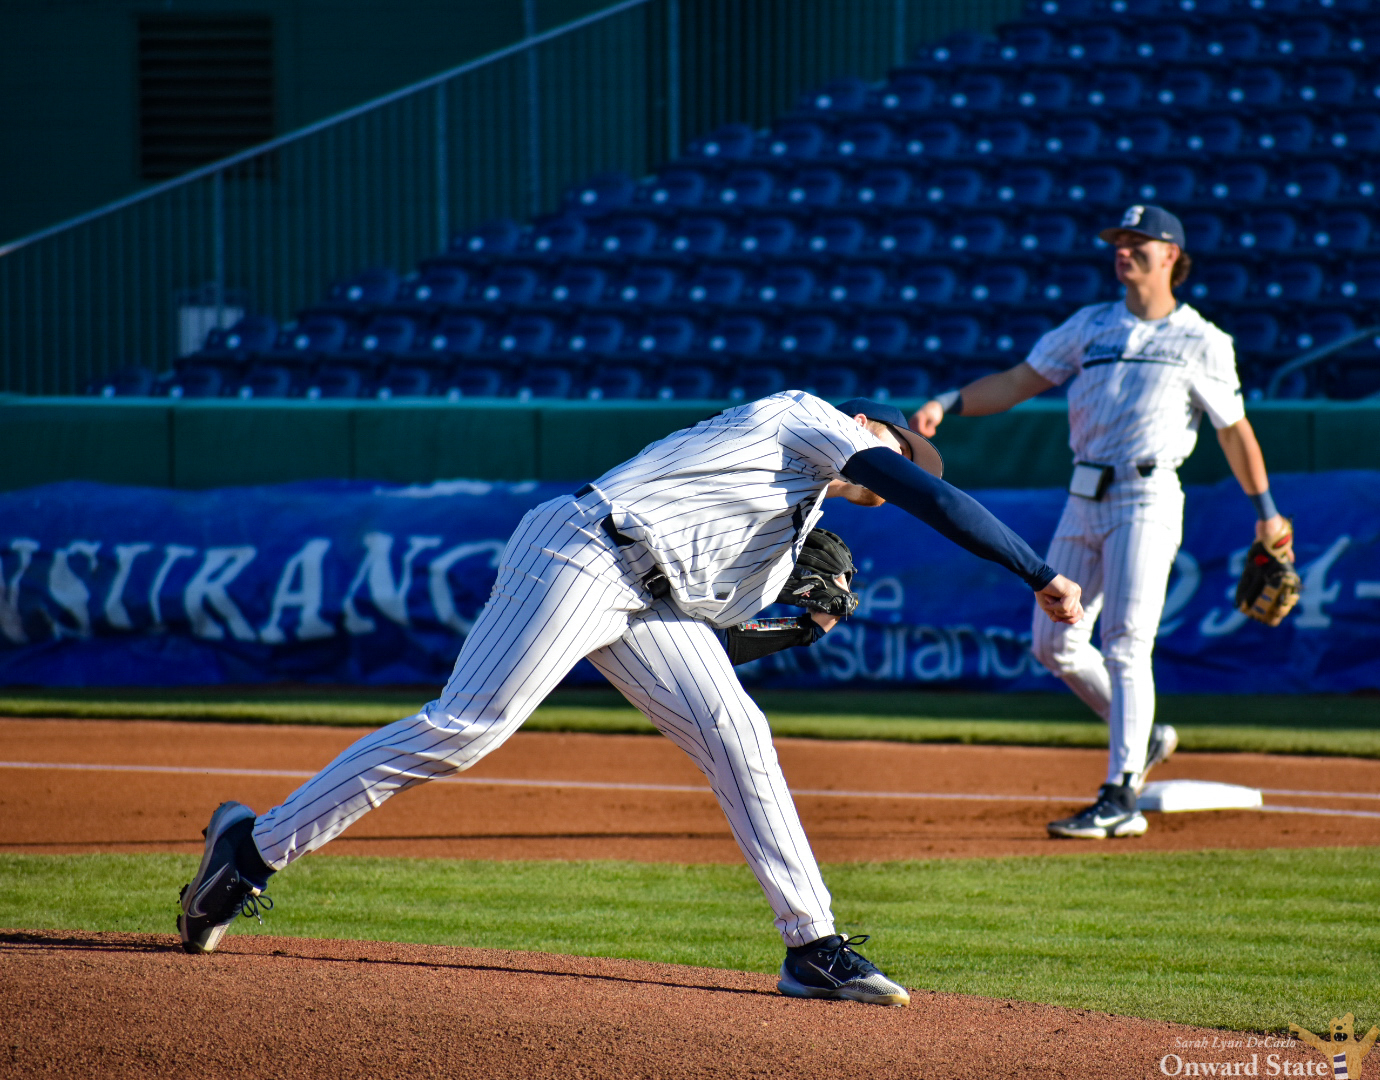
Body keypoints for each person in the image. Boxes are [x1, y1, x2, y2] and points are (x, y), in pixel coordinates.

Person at [178, 392, 1083, 1006]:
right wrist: (1038, 571)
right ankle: (249, 851)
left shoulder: (784, 529)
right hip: (583, 548)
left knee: (737, 731)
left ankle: (813, 947)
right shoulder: (804, 416)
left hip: (650, 599)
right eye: (889, 450)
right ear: (863, 425)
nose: (885, 472)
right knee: (467, 729)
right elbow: (926, 496)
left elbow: (724, 637)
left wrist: (794, 628)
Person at [910, 205, 1291, 840]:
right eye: (1119, 241)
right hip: (1083, 495)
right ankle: (1146, 735)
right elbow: (1019, 381)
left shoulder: (1201, 339)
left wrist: (1267, 513)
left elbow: (1234, 431)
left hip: (1148, 495)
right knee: (1053, 642)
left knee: (1126, 642)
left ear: (1171, 255)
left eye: (1139, 242)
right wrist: (947, 402)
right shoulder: (1091, 325)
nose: (1124, 250)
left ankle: (1121, 795)